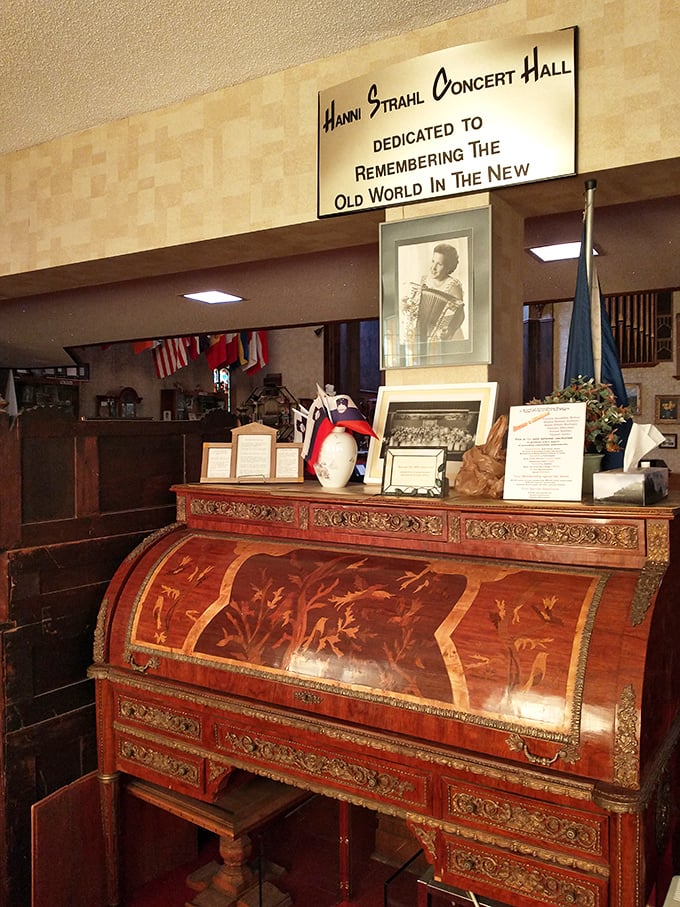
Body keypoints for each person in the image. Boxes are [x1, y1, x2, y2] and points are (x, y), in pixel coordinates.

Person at [401, 243, 465, 355]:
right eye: (432, 261)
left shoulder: (453, 286)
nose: (433, 268)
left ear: (448, 267)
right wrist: (407, 304)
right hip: (425, 334)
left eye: (439, 264)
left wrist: (450, 330)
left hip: (445, 336)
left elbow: (460, 315)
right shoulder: (424, 280)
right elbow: (416, 307)